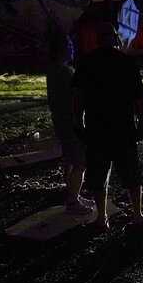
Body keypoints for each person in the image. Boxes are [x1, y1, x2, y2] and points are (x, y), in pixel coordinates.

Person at [72, 22, 143, 230]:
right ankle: (137, 214)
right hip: (123, 126)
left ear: (97, 40)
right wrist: (141, 122)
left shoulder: (86, 63)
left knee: (99, 173)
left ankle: (101, 217)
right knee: (131, 173)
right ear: (115, 39)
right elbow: (139, 98)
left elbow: (77, 97)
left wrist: (78, 121)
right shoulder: (127, 63)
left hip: (97, 127)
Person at [47, 32, 93, 215]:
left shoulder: (53, 70)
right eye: (70, 45)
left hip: (60, 121)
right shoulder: (66, 72)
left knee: (70, 160)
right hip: (71, 122)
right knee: (80, 162)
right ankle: (73, 200)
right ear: (63, 49)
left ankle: (73, 194)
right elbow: (77, 97)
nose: (73, 48)